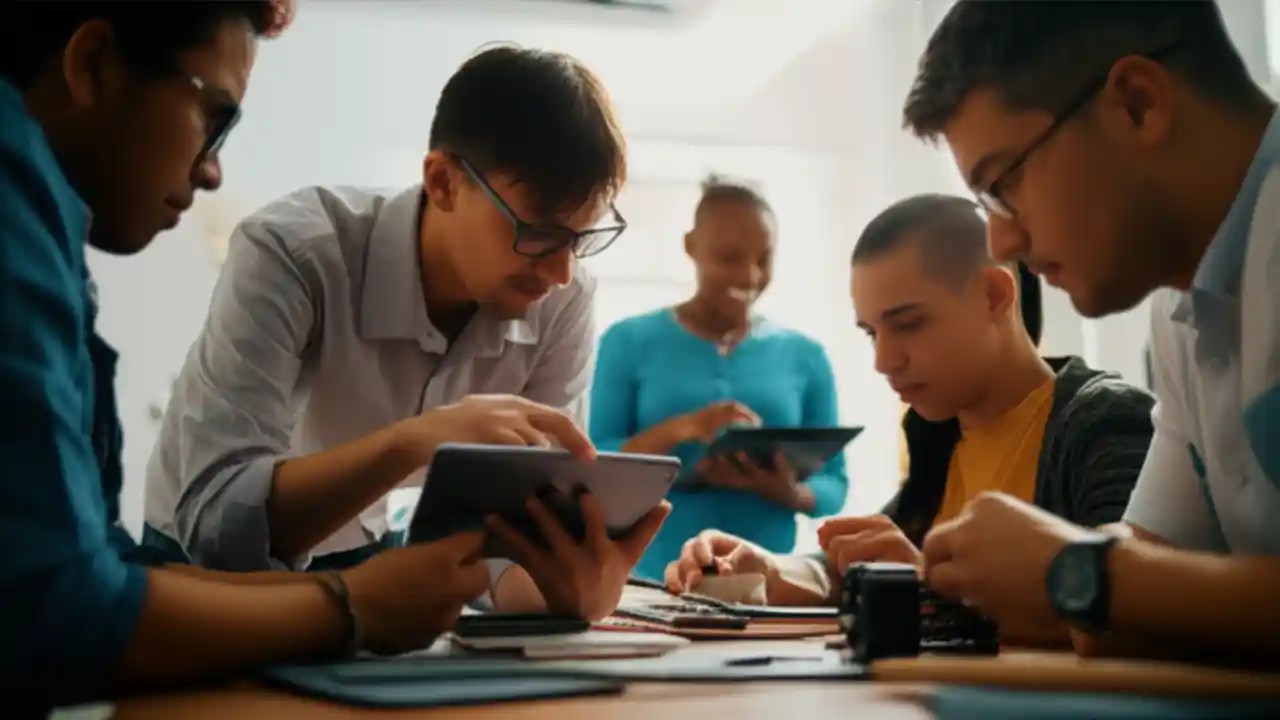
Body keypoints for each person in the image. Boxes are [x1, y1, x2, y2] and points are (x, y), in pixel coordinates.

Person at [0, 1, 544, 710]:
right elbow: (58, 608)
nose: (213, 172)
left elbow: (99, 568)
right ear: (93, 64)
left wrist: (364, 595)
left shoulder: (44, 223)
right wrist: (352, 606)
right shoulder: (13, 202)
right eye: (214, 117)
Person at [140, 45, 667, 620]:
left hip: (364, 556)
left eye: (581, 238)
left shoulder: (565, 296)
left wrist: (565, 594)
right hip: (193, 569)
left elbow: (510, 541)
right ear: (442, 181)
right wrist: (419, 438)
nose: (562, 271)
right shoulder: (295, 252)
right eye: (537, 232)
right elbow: (220, 526)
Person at [900, 0, 1280, 659]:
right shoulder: (1181, 310)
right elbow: (1144, 585)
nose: (1001, 238)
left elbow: (1117, 584)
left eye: (1003, 182)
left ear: (1137, 104)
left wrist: (1077, 572)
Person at [665, 196, 1155, 638]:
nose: (883, 360)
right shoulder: (937, 433)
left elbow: (1133, 618)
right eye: (871, 333)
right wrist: (766, 569)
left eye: (908, 325)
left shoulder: (1103, 426)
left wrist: (928, 587)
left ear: (993, 297)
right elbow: (855, 563)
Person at [590, 177, 848, 581]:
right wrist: (685, 428)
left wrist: (787, 492)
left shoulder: (806, 356)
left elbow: (834, 485)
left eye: (764, 258)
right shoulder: (627, 342)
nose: (749, 275)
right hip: (651, 581)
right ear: (691, 246)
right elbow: (599, 466)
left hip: (765, 585)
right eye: (729, 257)